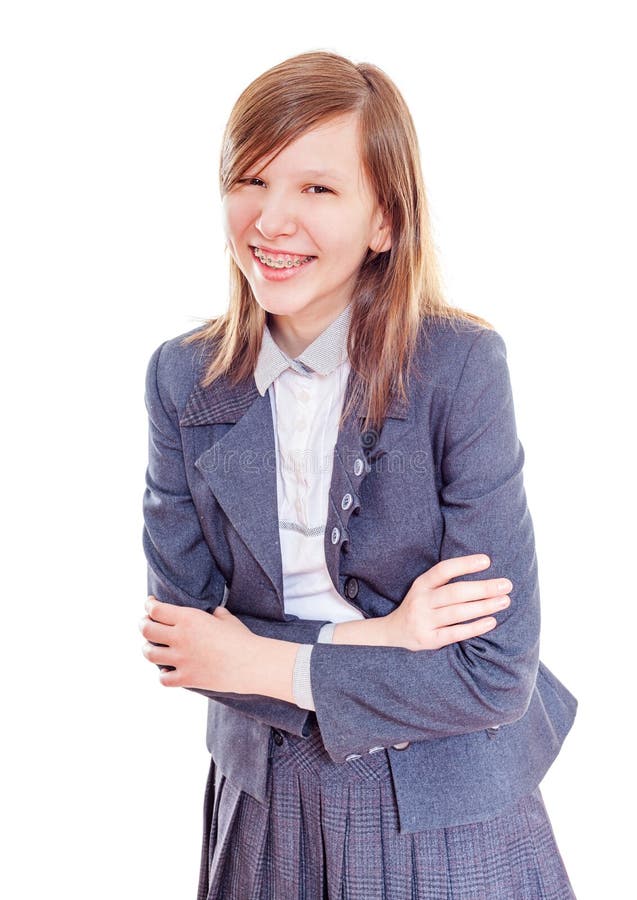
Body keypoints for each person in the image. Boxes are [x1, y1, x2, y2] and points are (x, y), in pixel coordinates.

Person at [140, 49, 578, 899]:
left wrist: (261, 660)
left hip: (443, 801)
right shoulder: (182, 380)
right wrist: (386, 634)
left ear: (383, 221)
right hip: (262, 798)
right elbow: (186, 642)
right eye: (252, 180)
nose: (270, 220)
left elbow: (491, 672)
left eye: (317, 189)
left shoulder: (459, 368)